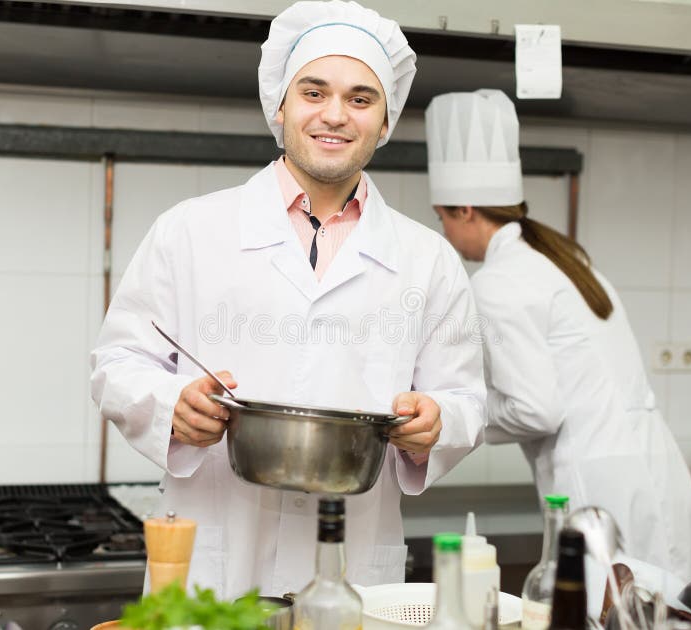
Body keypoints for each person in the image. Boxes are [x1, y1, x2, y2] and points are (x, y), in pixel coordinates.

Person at [91, 1, 486, 599]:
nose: (335, 115)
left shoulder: (428, 261)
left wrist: (439, 421)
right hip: (215, 562)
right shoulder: (190, 231)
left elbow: (463, 401)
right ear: (280, 105)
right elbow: (117, 364)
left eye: (360, 99)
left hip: (352, 563)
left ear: (385, 122)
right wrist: (171, 404)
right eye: (313, 91)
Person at [425, 89, 691, 582]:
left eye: (441, 218)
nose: (446, 234)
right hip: (652, 467)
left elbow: (536, 409)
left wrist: (456, 412)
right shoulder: (563, 260)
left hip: (598, 488)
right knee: (678, 609)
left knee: (614, 608)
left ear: (465, 210)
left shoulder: (499, 282)